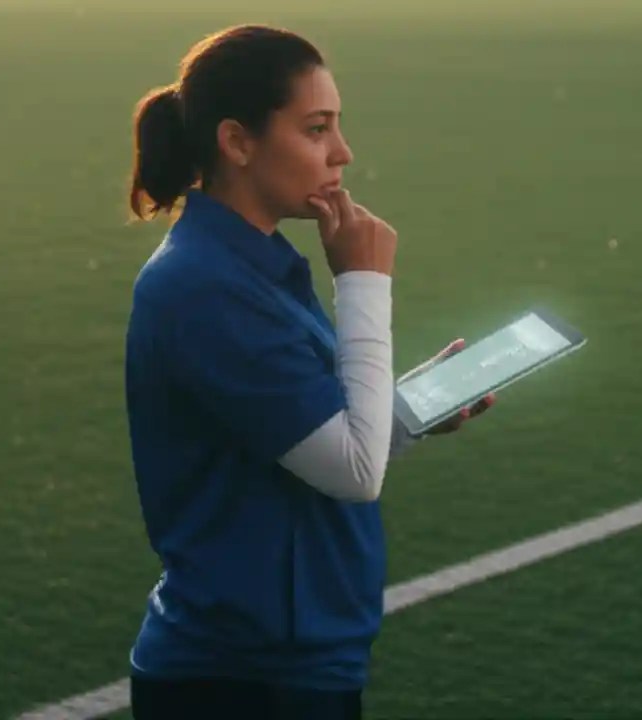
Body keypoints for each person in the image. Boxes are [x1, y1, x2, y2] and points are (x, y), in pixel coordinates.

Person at [122, 24, 493, 720]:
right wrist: (362, 282)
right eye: (316, 128)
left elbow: (315, 432)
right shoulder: (205, 286)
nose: (343, 153)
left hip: (287, 662)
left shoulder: (252, 266)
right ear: (237, 142)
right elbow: (354, 472)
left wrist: (406, 412)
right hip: (242, 680)